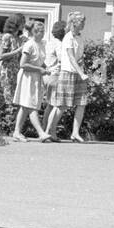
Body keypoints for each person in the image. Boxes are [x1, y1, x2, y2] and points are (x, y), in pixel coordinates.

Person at [45, 11, 90, 142]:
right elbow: (70, 57)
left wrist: (82, 67)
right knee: (61, 105)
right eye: (82, 22)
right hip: (68, 73)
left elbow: (78, 57)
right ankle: (49, 131)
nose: (83, 24)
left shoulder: (79, 38)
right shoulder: (68, 37)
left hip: (78, 73)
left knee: (81, 103)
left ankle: (75, 133)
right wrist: (81, 73)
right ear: (75, 23)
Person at [0, 13, 27, 137]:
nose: (24, 25)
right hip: (5, 72)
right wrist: (18, 50)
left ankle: (16, 130)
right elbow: (0, 56)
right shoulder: (7, 37)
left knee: (16, 101)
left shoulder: (19, 38)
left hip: (15, 72)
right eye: (22, 22)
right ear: (16, 23)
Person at [11, 19, 51, 142]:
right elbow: (22, 64)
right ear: (34, 32)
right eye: (40, 31)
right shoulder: (29, 44)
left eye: (43, 31)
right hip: (27, 77)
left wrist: (44, 67)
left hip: (35, 77)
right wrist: (39, 69)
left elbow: (38, 59)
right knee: (31, 105)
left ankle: (16, 132)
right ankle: (41, 133)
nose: (43, 33)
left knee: (25, 106)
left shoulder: (41, 44)